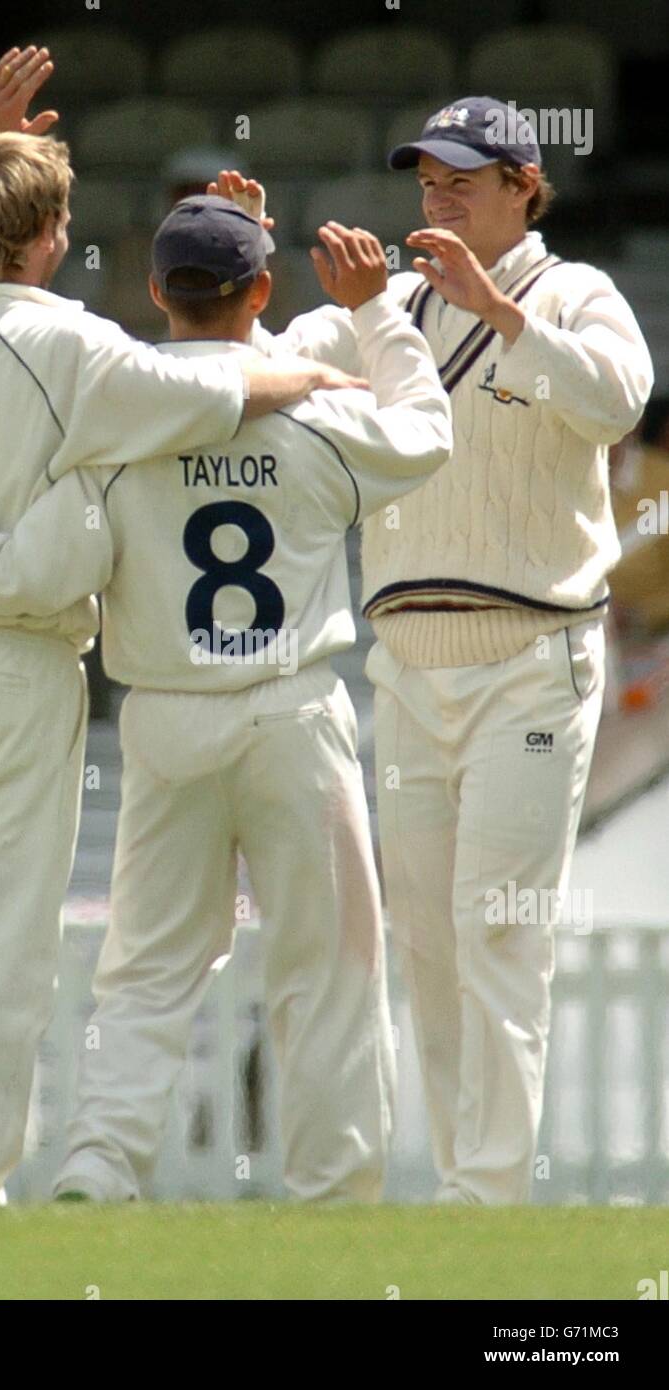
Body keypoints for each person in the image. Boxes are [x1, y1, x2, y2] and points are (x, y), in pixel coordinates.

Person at [0, 45, 359, 1203]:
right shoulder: (72, 343)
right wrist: (321, 382)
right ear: (39, 241)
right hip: (9, 665)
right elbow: (218, 381)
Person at [222, 95, 654, 1204]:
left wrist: (502, 317)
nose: (438, 195)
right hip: (408, 663)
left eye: (462, 176)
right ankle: (467, 1195)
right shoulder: (387, 305)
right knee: (427, 944)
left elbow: (615, 401)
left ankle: (487, 1204)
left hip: (529, 652)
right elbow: (260, 366)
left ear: (522, 185)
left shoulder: (572, 293)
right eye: (426, 177)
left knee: (497, 933)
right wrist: (248, 256)